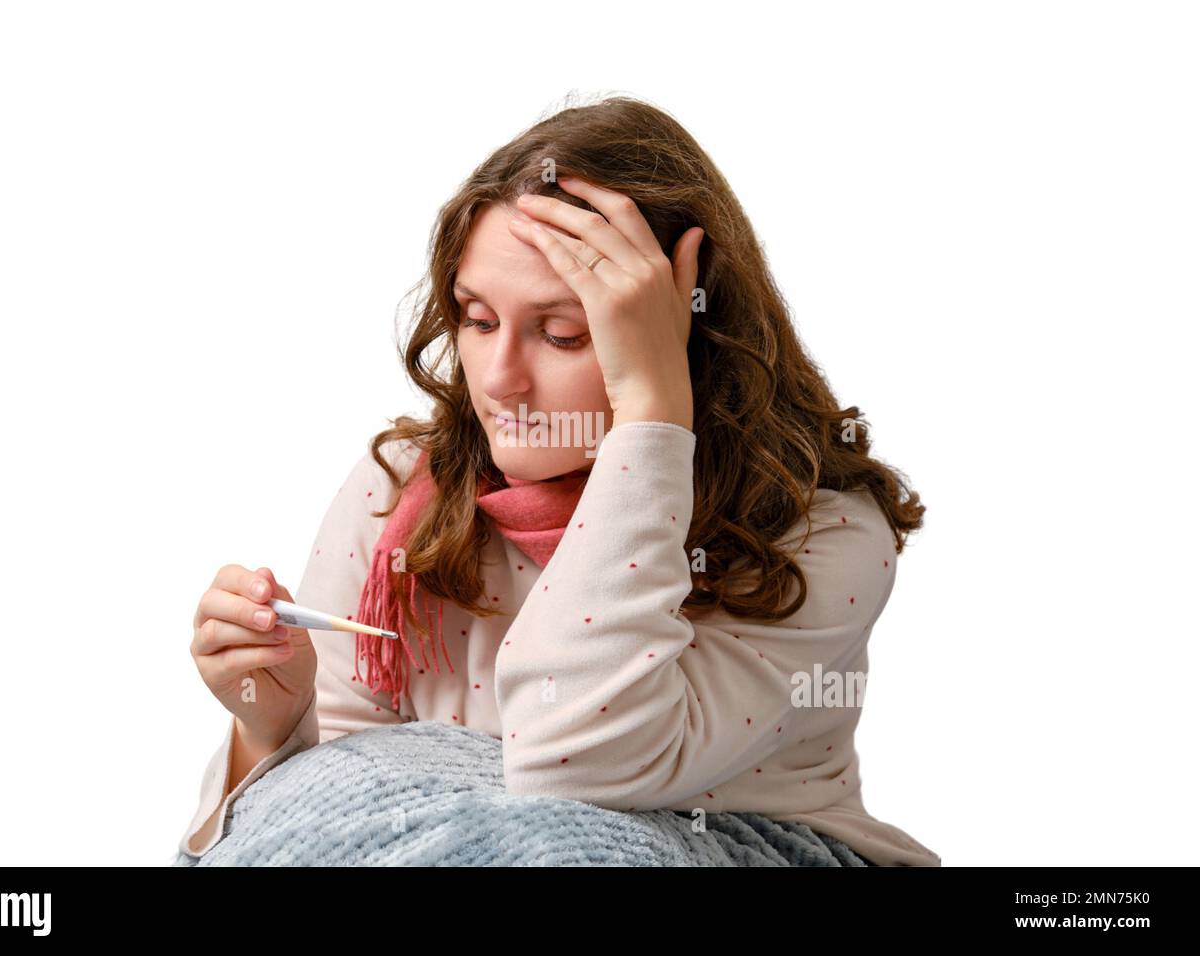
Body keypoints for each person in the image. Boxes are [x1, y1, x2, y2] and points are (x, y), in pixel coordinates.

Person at [182, 95, 941, 866]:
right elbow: (340, 807)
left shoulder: (826, 532)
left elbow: (577, 766)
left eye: (563, 334)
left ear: (686, 336)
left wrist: (650, 417)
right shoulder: (402, 488)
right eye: (477, 321)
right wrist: (273, 725)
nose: (500, 379)